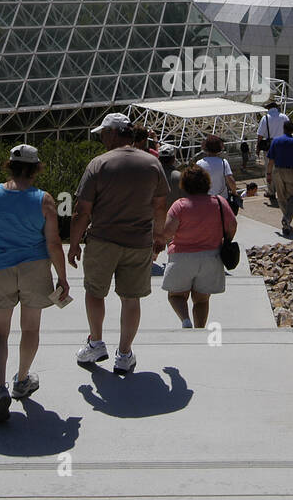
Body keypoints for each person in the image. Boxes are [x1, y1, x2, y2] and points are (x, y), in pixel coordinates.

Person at [0, 144, 70, 423]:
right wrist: (62, 277)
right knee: (30, 328)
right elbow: (53, 242)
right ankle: (22, 379)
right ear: (37, 168)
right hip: (34, 267)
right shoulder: (44, 199)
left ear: (9, 165)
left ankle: (0, 388)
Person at [68, 112, 169, 374]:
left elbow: (82, 210)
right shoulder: (151, 164)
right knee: (131, 299)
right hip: (138, 242)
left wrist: (75, 242)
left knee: (94, 292)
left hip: (103, 240)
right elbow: (160, 206)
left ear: (113, 133)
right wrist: (159, 236)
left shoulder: (98, 164)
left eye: (103, 133)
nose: (101, 138)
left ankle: (96, 342)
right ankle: (124, 353)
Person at [160, 166, 235, 330]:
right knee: (201, 299)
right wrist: (224, 240)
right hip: (211, 256)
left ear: (184, 185)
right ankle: (200, 329)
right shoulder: (219, 202)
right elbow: (232, 226)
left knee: (175, 295)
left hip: (181, 257)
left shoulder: (179, 205)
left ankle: (186, 320)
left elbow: (167, 232)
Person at [266, 119, 293, 234]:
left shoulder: (276, 141)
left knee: (281, 197)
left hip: (277, 171)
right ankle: (287, 219)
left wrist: (269, 174)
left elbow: (271, 160)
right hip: (292, 171)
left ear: (284, 129)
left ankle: (287, 221)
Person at [196, 134, 240, 213]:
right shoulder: (224, 163)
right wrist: (234, 192)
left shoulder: (199, 164)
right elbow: (231, 181)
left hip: (205, 200)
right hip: (221, 199)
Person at [256, 101, 287, 202]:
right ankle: (283, 191)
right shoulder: (284, 117)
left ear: (268, 108)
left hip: (271, 145)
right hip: (283, 143)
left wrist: (258, 147)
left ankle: (271, 192)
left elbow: (260, 135)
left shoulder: (265, 118)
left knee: (270, 169)